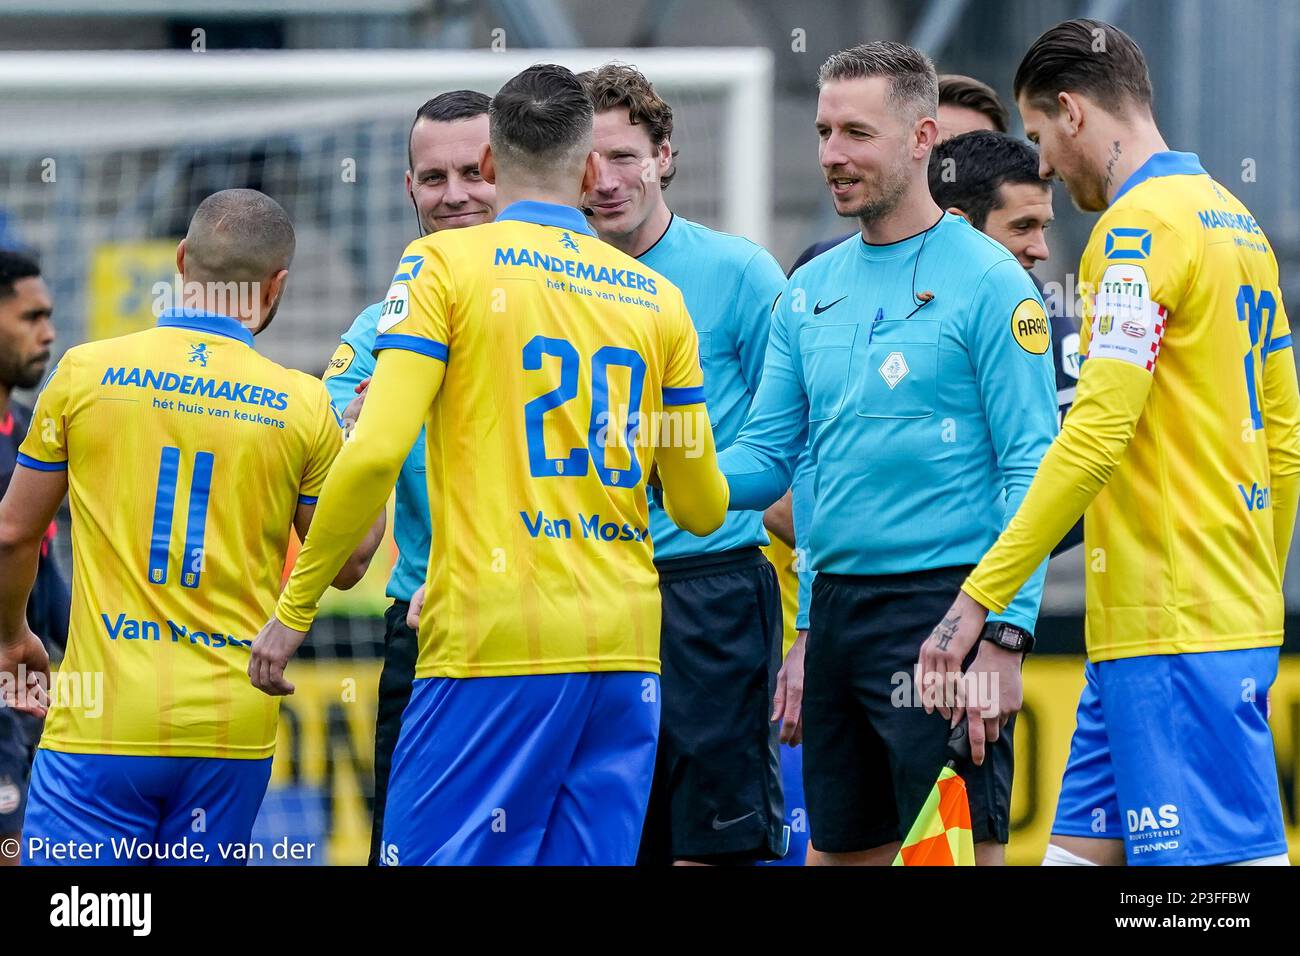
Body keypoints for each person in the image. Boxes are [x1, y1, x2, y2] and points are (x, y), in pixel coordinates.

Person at [249, 64, 728, 866]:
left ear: (497, 168)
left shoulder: (441, 270)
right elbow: (702, 505)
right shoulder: (656, 299)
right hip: (624, 646)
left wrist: (294, 610)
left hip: (489, 642)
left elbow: (370, 459)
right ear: (586, 169)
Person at [919, 18, 1300, 867]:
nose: (1043, 164)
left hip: (1170, 624)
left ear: (1071, 111)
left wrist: (982, 594)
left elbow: (1093, 436)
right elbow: (1285, 442)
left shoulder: (1133, 235)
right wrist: (1253, 605)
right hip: (1186, 616)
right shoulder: (1234, 221)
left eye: (1039, 134)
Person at [716, 41, 1058, 866]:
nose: (833, 155)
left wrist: (1005, 635)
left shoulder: (992, 282)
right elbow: (766, 459)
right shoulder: (809, 288)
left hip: (944, 613)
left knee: (950, 861)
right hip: (835, 614)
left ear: (922, 139)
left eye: (857, 134)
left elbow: (1033, 467)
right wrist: (658, 468)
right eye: (825, 131)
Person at [0, 189, 382, 865]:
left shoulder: (86, 373)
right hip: (231, 727)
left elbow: (12, 533)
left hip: (103, 721)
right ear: (277, 286)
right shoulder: (302, 403)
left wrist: (12, 637)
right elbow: (349, 558)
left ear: (181, 261)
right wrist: (371, 444)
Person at [578, 62, 789, 866]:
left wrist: (674, 461)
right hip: (585, 589)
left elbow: (786, 437)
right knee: (604, 834)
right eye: (586, 162)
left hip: (708, 589)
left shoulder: (739, 273)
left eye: (625, 155)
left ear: (664, 156)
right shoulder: (543, 285)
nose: (605, 180)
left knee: (713, 836)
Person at [321, 88, 496, 866]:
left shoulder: (591, 302)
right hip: (425, 631)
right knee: (405, 851)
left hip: (576, 628)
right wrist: (352, 436)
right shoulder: (374, 335)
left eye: (475, 172)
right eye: (434, 178)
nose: (455, 196)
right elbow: (347, 539)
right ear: (408, 189)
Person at [928, 130, 1083, 553]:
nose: (1042, 250)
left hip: (985, 590)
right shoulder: (840, 288)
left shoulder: (1041, 314)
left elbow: (1071, 482)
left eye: (1044, 227)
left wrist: (996, 579)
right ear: (960, 226)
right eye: (1023, 227)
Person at [791, 73, 1010, 271]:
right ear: (919, 141)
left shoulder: (1005, 280)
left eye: (971, 155)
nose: (948, 166)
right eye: (936, 151)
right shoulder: (816, 267)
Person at [0, 250, 67, 866]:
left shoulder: (34, 433)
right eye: (30, 317)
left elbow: (48, 577)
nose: (48, 332)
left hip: (33, 698)